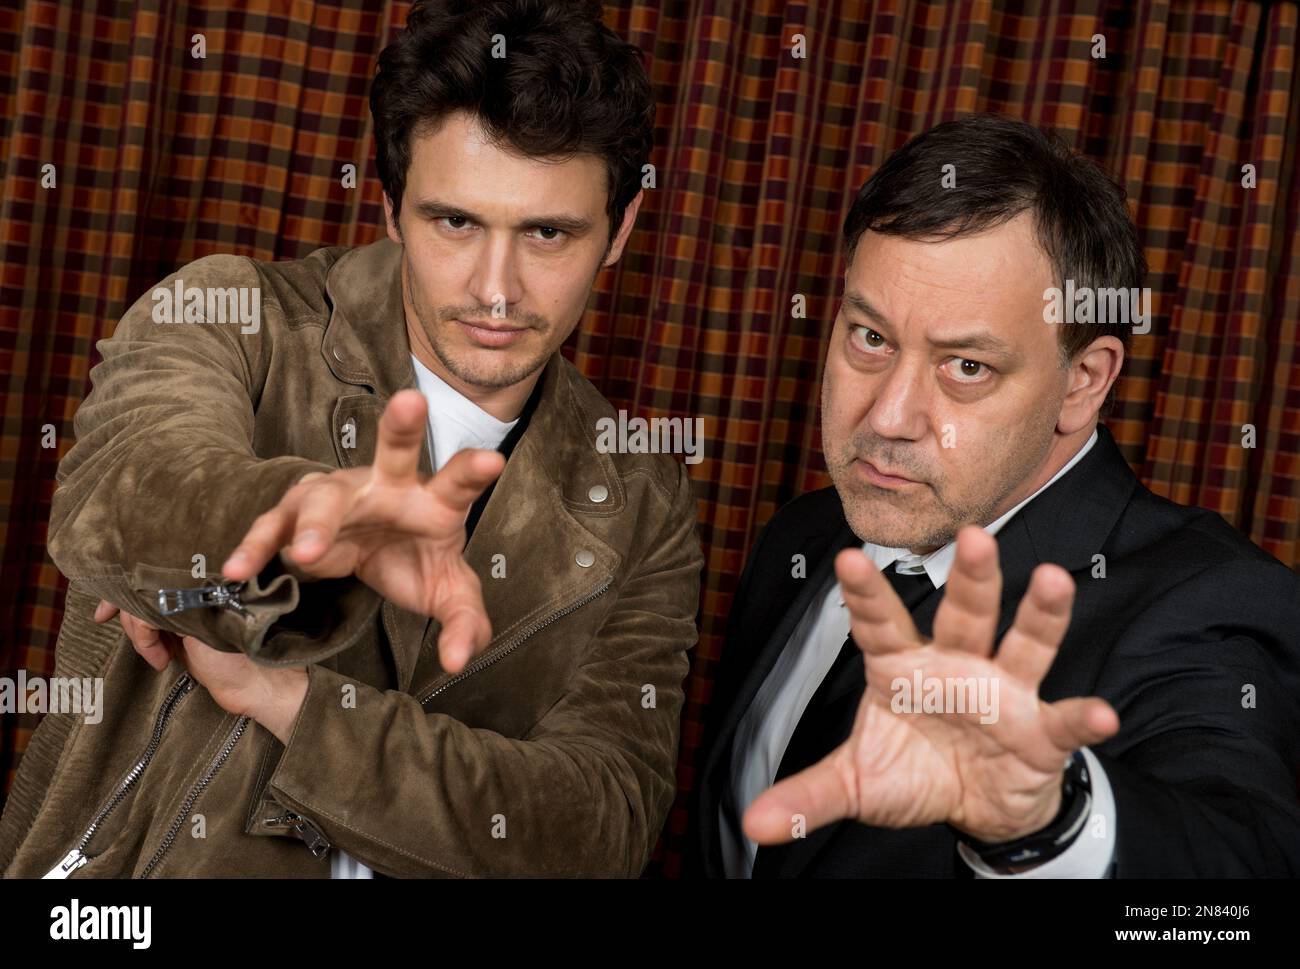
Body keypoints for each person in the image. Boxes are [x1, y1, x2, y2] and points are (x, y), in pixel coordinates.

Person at [0, 0, 702, 879]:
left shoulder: (643, 496)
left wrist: (296, 703)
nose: (496, 289)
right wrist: (295, 518)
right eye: (455, 223)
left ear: (623, 229)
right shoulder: (235, 317)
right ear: (390, 206)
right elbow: (121, 487)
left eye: (548, 234)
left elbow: (598, 829)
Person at [686, 114, 1300, 878]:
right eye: (871, 338)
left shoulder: (1210, 604)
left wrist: (1045, 822)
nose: (887, 418)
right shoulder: (803, 536)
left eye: (966, 366)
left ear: (1082, 383)